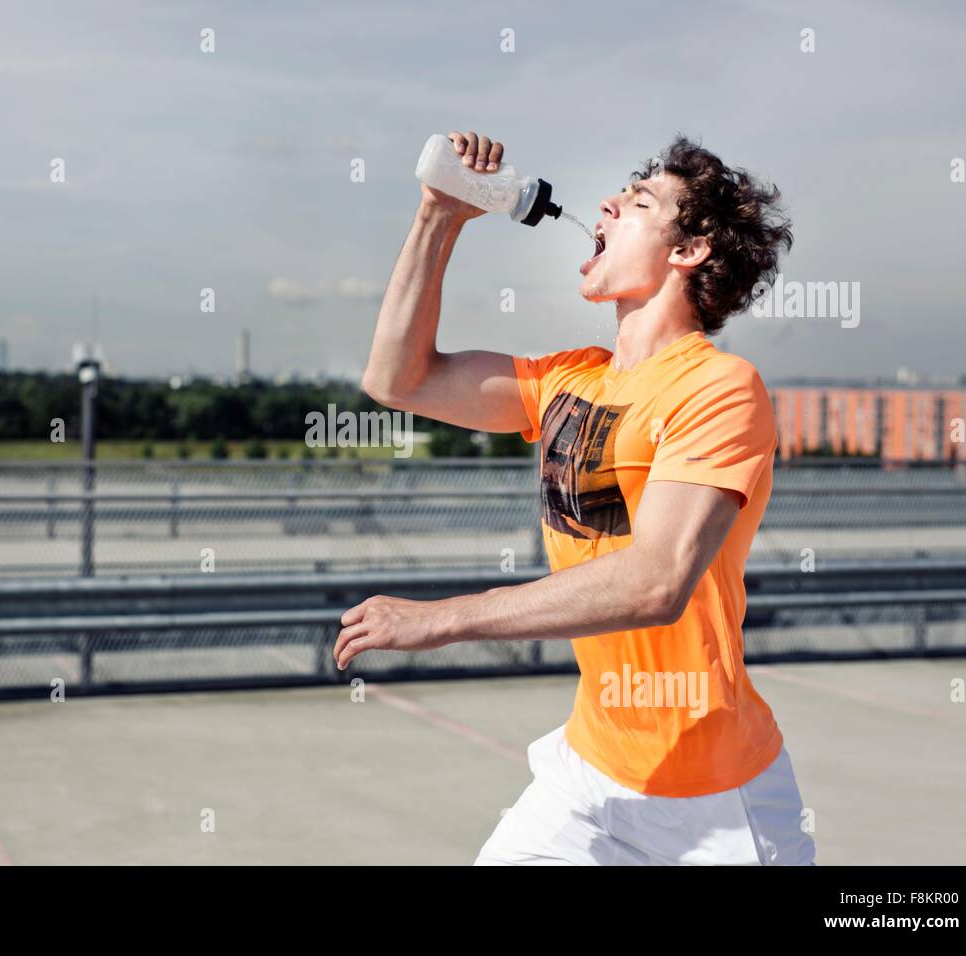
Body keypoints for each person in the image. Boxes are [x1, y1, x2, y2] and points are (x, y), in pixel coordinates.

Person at [335, 130, 814, 865]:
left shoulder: (719, 389)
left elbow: (656, 582)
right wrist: (440, 215)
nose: (608, 202)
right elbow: (398, 380)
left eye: (640, 199)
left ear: (689, 250)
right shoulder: (569, 379)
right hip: (587, 773)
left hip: (714, 803)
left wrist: (440, 620)